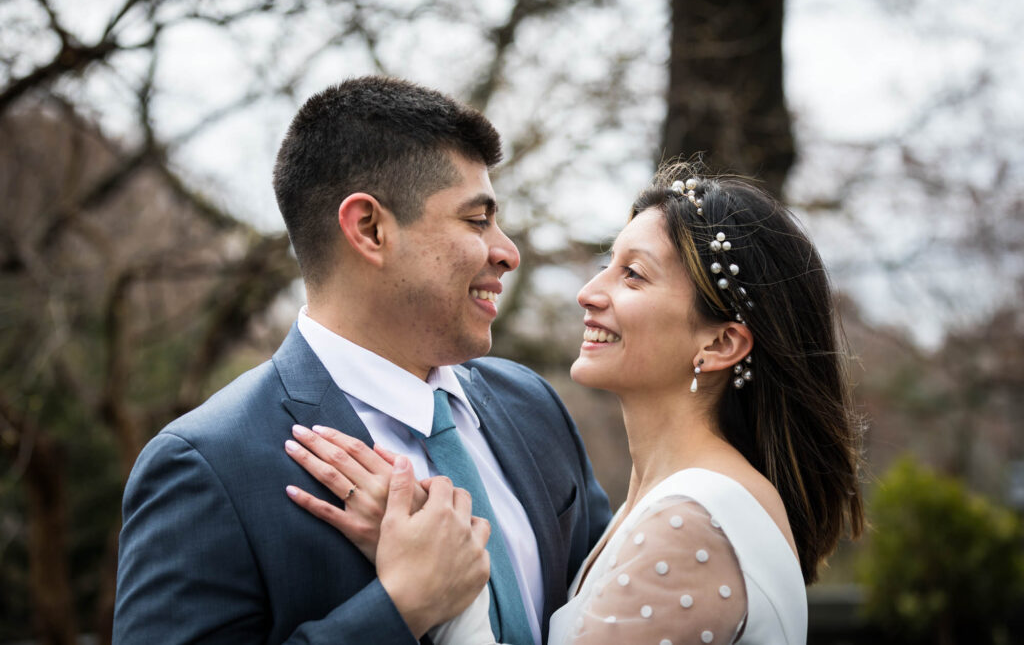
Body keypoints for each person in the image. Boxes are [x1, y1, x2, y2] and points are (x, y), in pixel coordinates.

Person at [113, 76, 611, 644]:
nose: (508, 252)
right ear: (370, 229)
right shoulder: (209, 465)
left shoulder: (532, 404)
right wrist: (400, 609)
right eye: (477, 220)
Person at [287, 162, 865, 644]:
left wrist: (440, 586)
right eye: (604, 265)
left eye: (633, 276)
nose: (589, 293)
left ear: (719, 343)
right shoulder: (662, 503)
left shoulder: (692, 523)